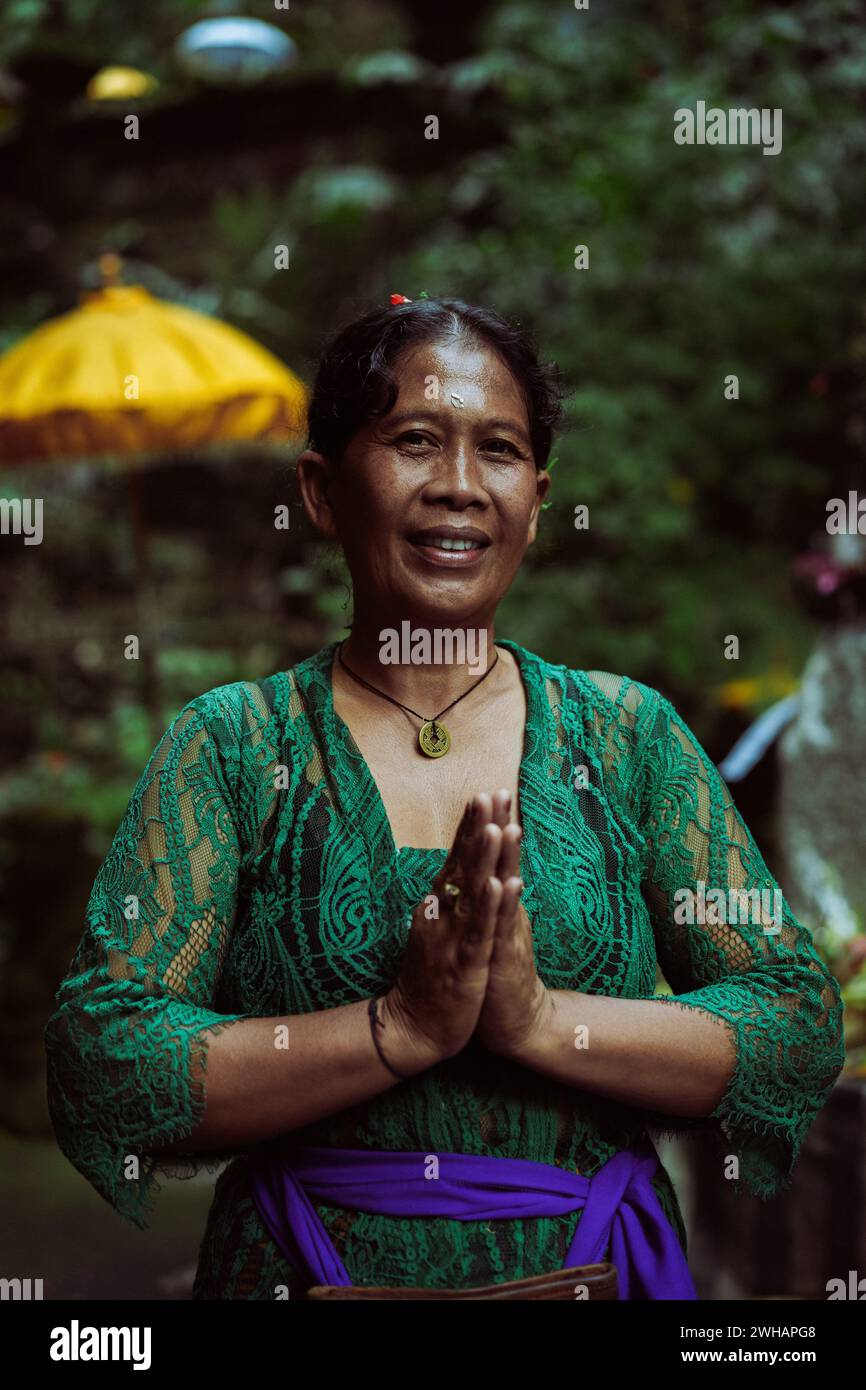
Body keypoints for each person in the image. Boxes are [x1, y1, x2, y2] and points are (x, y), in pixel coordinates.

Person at [44, 295, 846, 1300]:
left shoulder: (626, 737)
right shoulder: (235, 746)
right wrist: (396, 1027)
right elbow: (107, 1056)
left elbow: (791, 1020)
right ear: (323, 488)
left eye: (498, 450)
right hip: (299, 1269)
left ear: (537, 498)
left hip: (593, 1267)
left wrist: (541, 1021)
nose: (459, 487)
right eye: (415, 440)